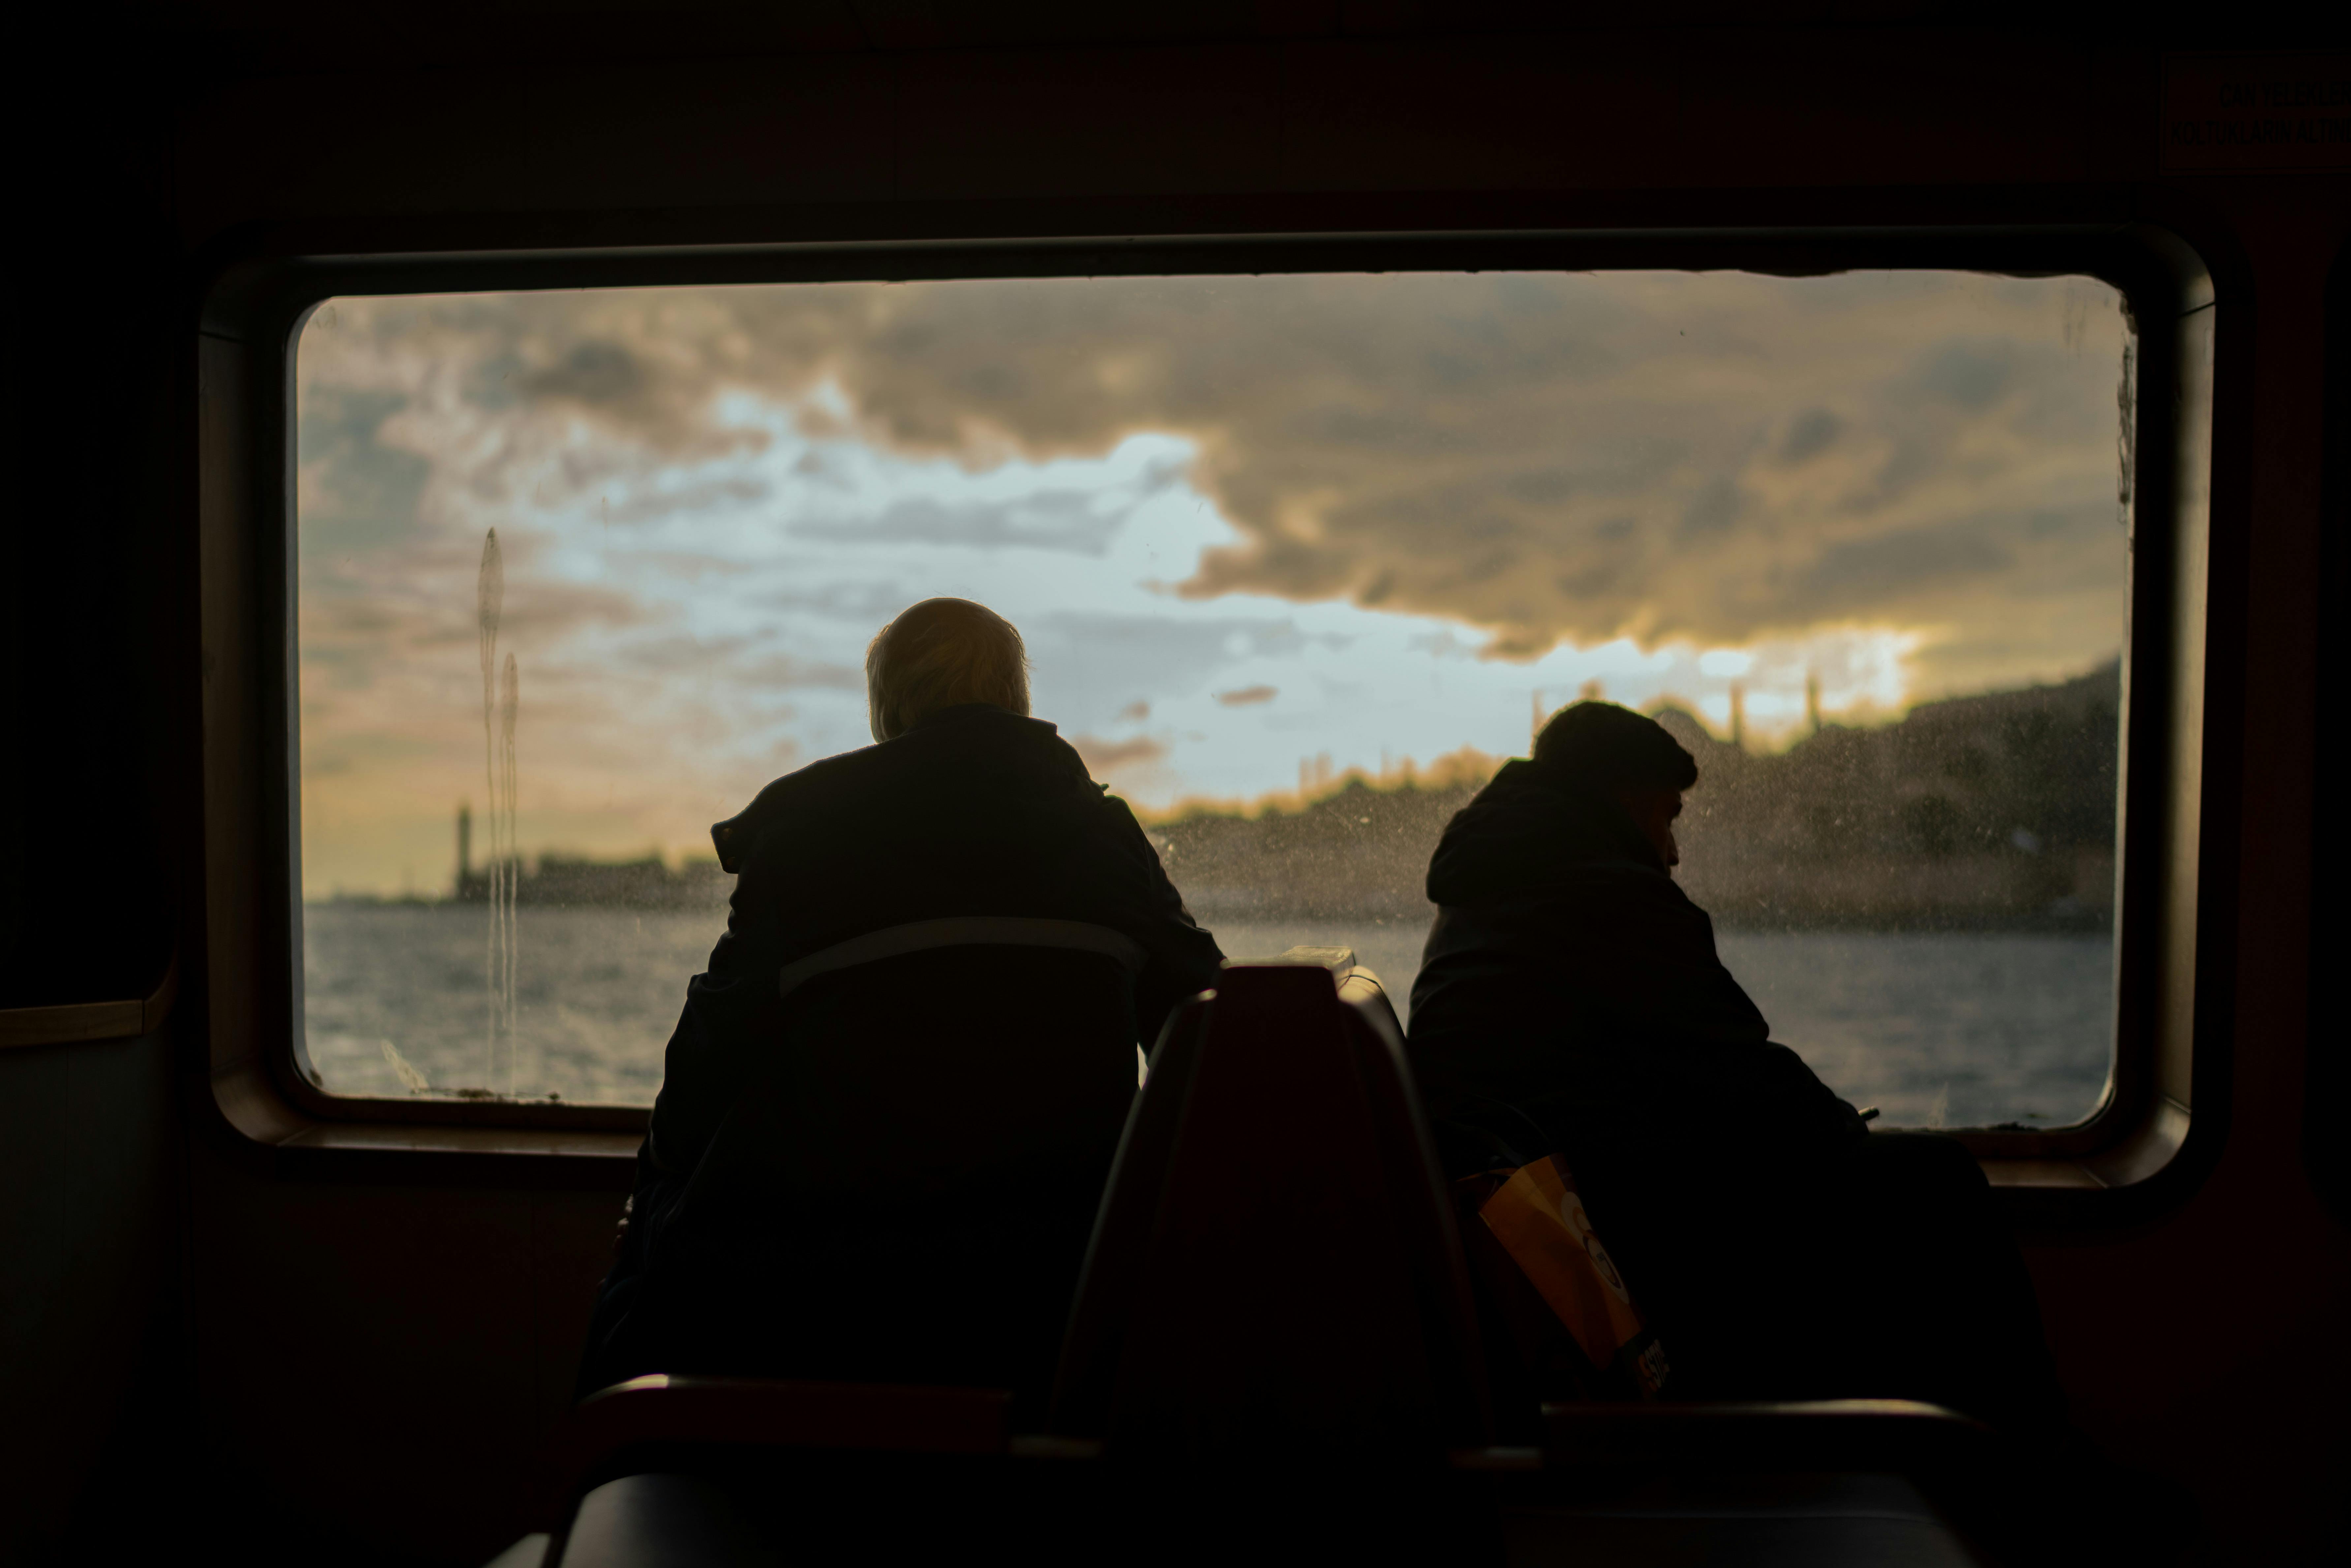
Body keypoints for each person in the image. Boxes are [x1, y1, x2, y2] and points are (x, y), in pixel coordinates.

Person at [578, 598, 1224, 1401]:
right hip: (1051, 1303)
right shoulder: (1106, 843)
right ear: (1016, 702)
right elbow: (1209, 1046)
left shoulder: (803, 844)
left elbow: (701, 1075)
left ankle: (598, 1455)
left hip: (830, 1302)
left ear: (888, 715)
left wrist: (653, 1210)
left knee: (647, 1243)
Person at [1407, 700, 2065, 1431]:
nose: (1673, 851)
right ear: (1623, 800)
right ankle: (2028, 1462)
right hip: (1637, 1233)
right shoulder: (1609, 895)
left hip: (1574, 1209)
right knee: (1937, 1182)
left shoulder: (1478, 898)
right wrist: (1841, 1129)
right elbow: (1741, 1074)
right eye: (1669, 816)